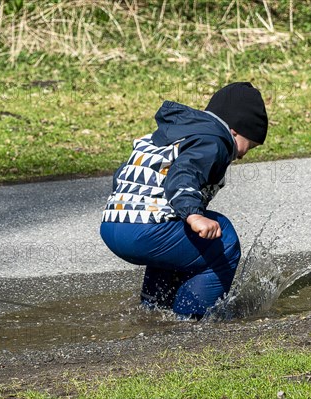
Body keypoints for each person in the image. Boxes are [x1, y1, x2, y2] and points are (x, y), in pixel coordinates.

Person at [99, 82, 268, 320]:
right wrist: (193, 214)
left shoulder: (173, 135)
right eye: (247, 147)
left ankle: (155, 310)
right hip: (144, 232)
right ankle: (193, 318)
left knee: (184, 237)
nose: (240, 156)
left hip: (112, 225)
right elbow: (183, 176)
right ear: (235, 130)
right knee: (224, 239)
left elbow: (123, 174)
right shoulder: (215, 141)